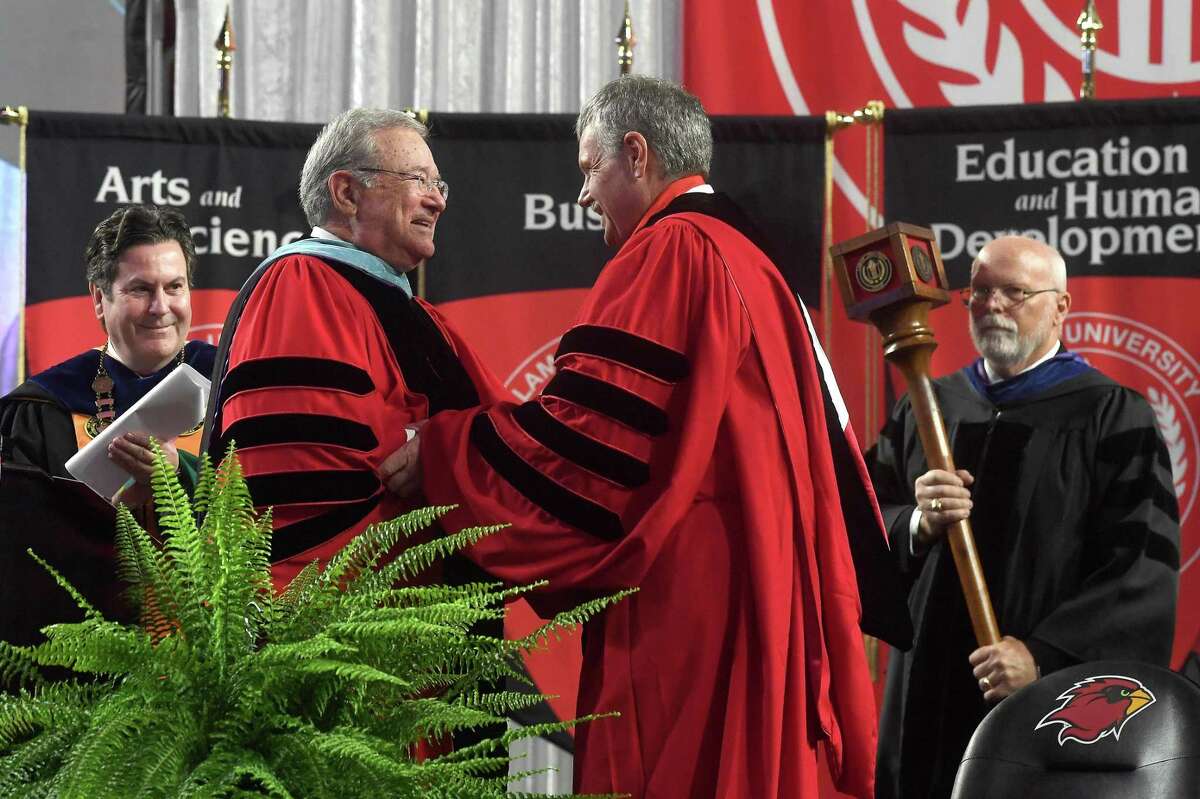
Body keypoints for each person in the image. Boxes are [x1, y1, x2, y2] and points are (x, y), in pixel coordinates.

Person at [379, 76, 910, 799]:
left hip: (691, 597)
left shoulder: (671, 253)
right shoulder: (754, 262)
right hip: (763, 578)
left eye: (589, 168)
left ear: (636, 153)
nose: (583, 195)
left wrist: (450, 452)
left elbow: (587, 445)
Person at [869, 235, 1180, 799]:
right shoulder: (927, 407)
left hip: (1042, 701)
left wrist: (1041, 656)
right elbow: (861, 519)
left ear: (1061, 306)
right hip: (924, 696)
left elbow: (1139, 570)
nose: (993, 306)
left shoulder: (1111, 415)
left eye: (1015, 292)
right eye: (980, 292)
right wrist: (916, 523)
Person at [203, 107, 505, 586]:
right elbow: (309, 467)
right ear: (346, 193)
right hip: (341, 623)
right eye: (417, 179)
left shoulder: (412, 313)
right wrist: (437, 449)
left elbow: (498, 425)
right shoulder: (302, 285)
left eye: (439, 185)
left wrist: (446, 444)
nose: (437, 201)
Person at [0, 204, 215, 503]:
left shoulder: (230, 382)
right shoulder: (45, 408)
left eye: (174, 287)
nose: (161, 308)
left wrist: (179, 474)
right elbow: (25, 533)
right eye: (141, 289)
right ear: (100, 298)